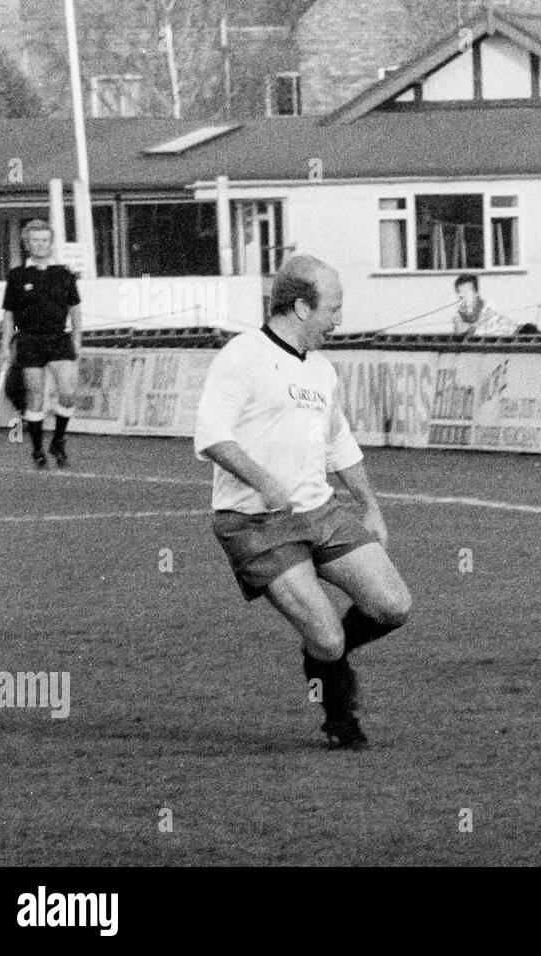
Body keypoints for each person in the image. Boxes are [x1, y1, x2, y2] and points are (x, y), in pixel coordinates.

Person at [195, 255, 412, 750]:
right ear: (299, 307)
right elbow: (211, 435)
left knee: (393, 605)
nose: (339, 321)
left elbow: (338, 442)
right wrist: (264, 480)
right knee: (331, 639)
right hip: (255, 522)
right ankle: (340, 717)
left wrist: (369, 503)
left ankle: (322, 654)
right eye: (333, 309)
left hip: (321, 512)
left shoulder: (322, 370)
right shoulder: (242, 356)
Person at [0, 220, 81, 469]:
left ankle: (57, 440)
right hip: (29, 340)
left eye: (45, 240)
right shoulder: (17, 276)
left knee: (68, 393)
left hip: (59, 338)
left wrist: (77, 339)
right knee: (35, 396)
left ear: (51, 242)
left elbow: (75, 309)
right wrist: (5, 345)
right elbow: (9, 315)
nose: (41, 244)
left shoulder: (64, 274)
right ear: (27, 244)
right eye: (35, 240)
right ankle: (37, 449)